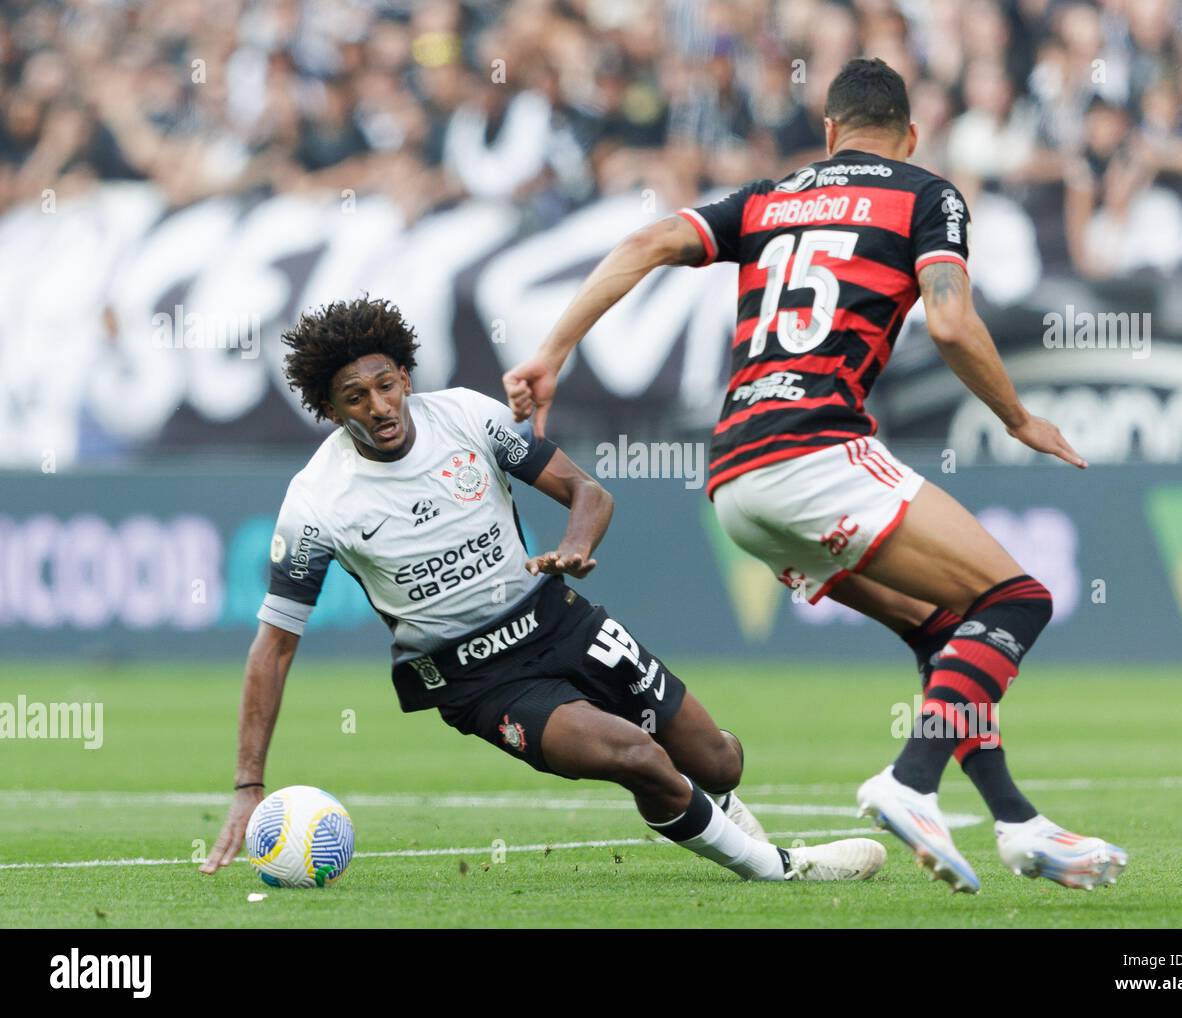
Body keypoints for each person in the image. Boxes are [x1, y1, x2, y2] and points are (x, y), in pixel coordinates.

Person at [504, 58, 1127, 894]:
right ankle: (909, 782)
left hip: (734, 484)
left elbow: (649, 240)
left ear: (828, 132)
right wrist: (1017, 418)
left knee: (942, 629)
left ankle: (1016, 823)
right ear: (910, 135)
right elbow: (949, 322)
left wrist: (551, 350)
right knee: (1018, 600)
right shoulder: (925, 193)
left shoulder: (768, 197)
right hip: (815, 449)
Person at [200, 296, 884, 885]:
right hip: (480, 680)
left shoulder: (469, 417)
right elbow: (275, 647)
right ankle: (778, 869)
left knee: (719, 761)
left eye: (386, 384)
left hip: (561, 622)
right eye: (355, 397)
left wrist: (577, 547)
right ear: (328, 409)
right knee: (636, 758)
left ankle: (721, 811)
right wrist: (247, 786)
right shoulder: (317, 502)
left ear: (405, 376)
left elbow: (588, 491)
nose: (380, 406)